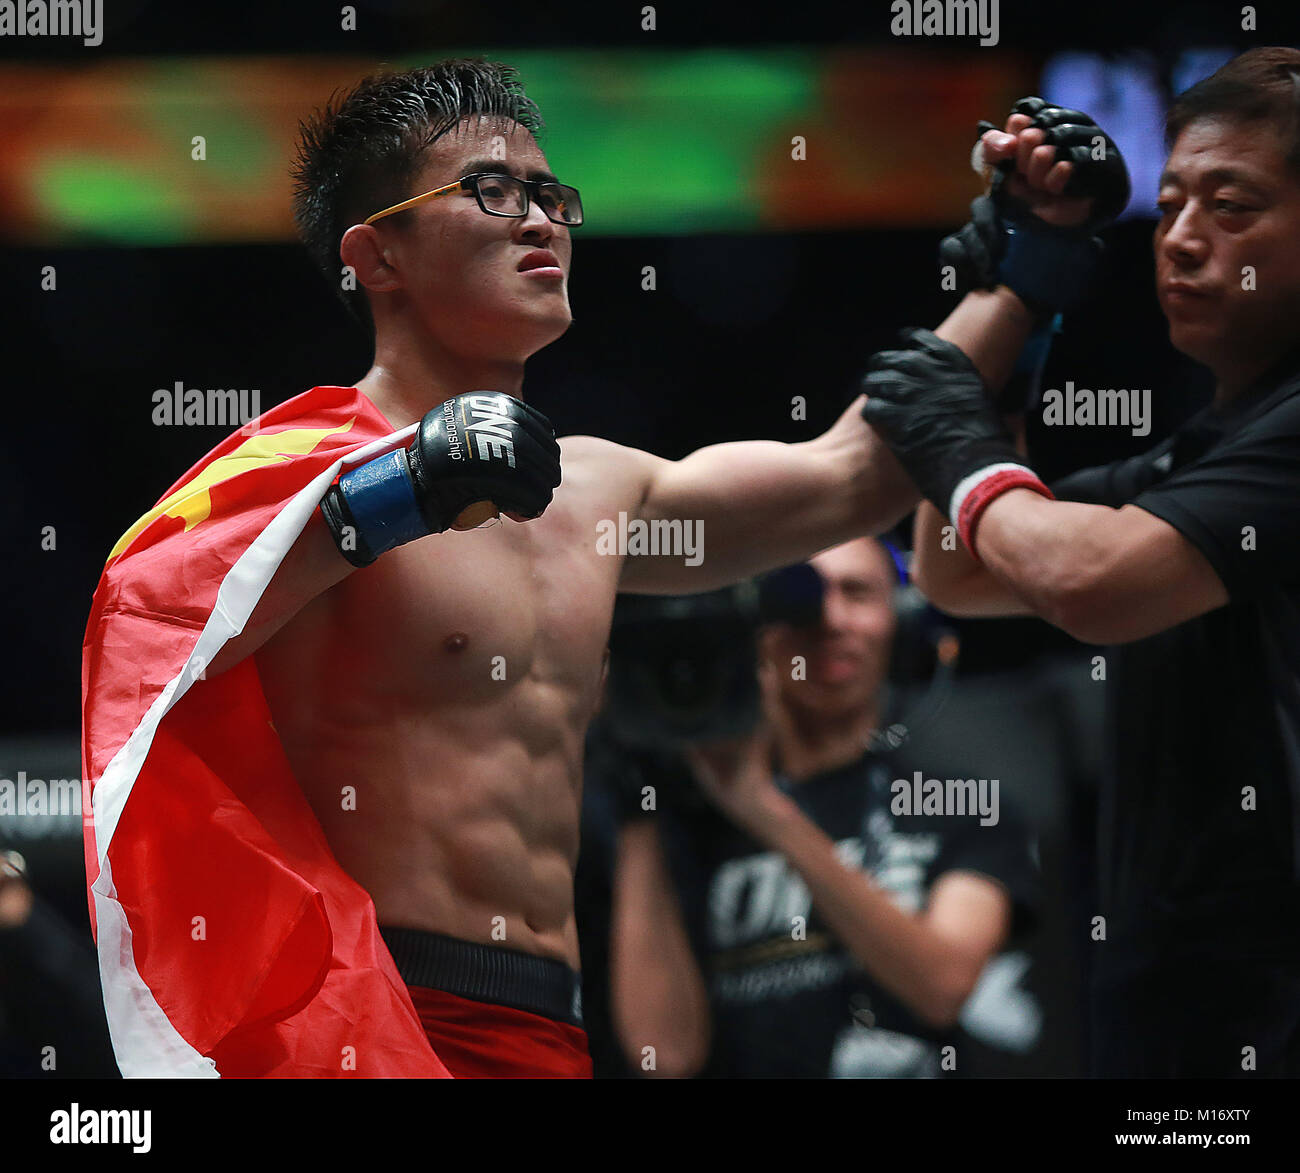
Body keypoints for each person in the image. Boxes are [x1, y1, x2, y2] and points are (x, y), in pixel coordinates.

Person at [82, 59, 1116, 1077]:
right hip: (368, 1011)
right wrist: (396, 493)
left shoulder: (600, 493)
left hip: (550, 1025)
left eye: (550, 196)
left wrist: (1023, 275)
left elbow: (851, 478)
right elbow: (153, 626)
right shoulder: (300, 480)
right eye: (491, 190)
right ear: (378, 255)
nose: (541, 221)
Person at [863, 47, 1300, 1077]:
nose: (1182, 238)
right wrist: (1023, 288)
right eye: (1175, 200)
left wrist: (955, 440)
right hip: (1181, 1016)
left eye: (1231, 206)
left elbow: (1082, 582)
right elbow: (962, 570)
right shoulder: (1208, 450)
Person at [603, 538, 1039, 1077]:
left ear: (901, 622)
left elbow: (942, 986)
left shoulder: (958, 807)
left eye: (857, 594)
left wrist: (764, 809)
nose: (830, 619)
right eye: (799, 598)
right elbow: (663, 1056)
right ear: (759, 631)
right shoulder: (688, 818)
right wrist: (639, 798)